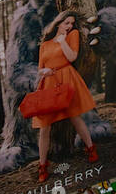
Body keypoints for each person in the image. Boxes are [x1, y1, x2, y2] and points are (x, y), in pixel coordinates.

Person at [24, 11, 99, 184]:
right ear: (58, 23)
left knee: (75, 117)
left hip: (66, 79)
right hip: (49, 83)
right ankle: (43, 166)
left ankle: (91, 148)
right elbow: (40, 69)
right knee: (45, 127)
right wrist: (45, 72)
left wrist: (63, 41)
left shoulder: (72, 35)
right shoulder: (45, 44)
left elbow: (72, 57)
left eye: (72, 23)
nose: (69, 26)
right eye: (66, 23)